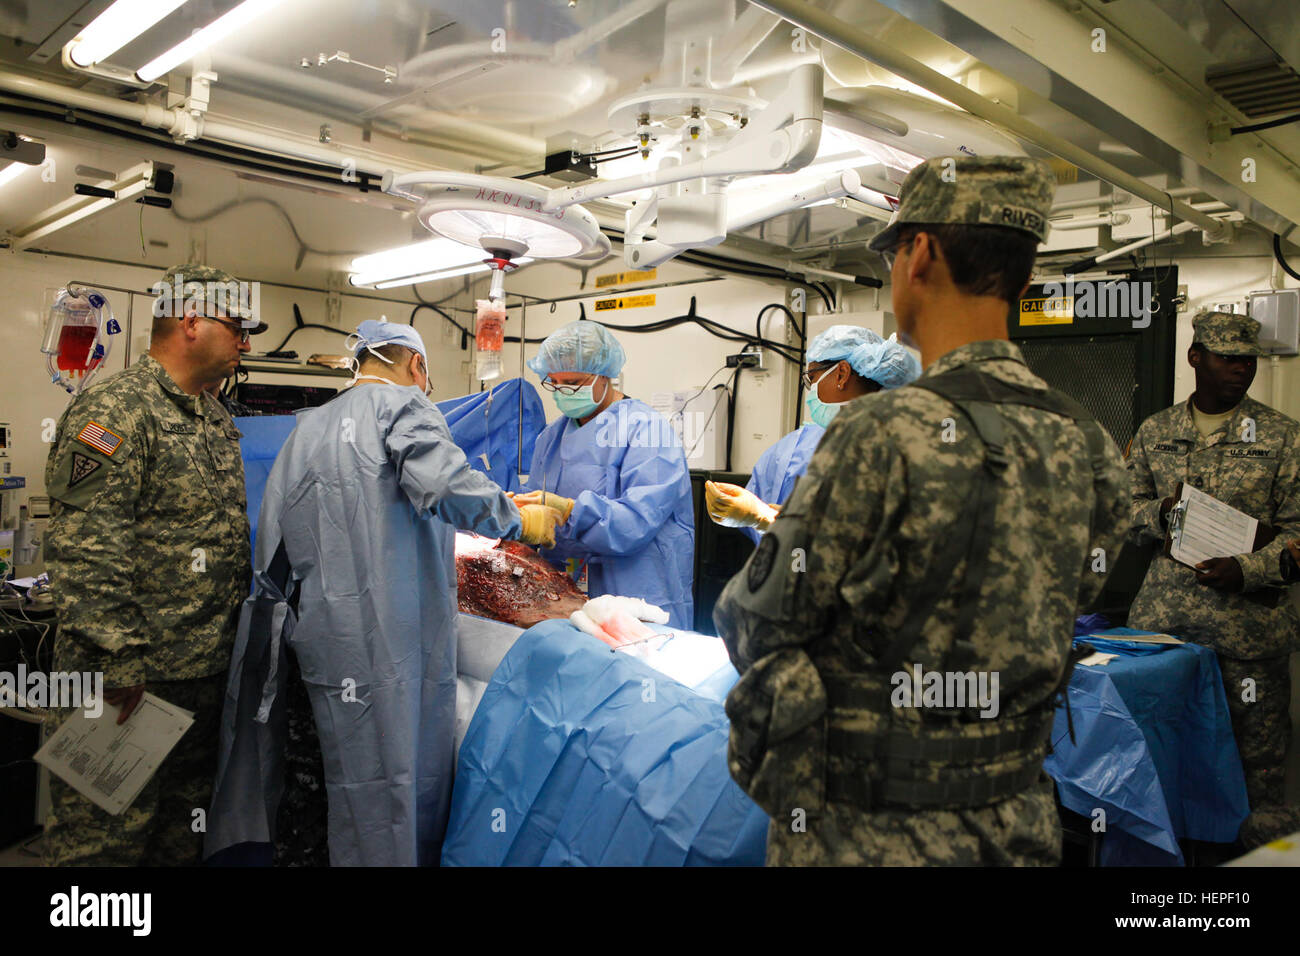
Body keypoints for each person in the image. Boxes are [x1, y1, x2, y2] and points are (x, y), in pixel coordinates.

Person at [714, 156, 1130, 866]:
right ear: (1025, 279)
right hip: (1015, 819)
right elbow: (1071, 598)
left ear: (921, 254)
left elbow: (755, 619)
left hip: (872, 829)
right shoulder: (1087, 441)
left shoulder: (877, 432)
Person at [206, 319, 563, 866]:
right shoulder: (404, 406)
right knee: (392, 778)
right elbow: (443, 485)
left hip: (315, 635)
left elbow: (275, 534)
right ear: (416, 366)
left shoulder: (311, 425)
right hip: (386, 636)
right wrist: (520, 517)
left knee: (327, 778)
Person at [42, 263, 263, 865]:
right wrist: (117, 663)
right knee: (102, 842)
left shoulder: (213, 417)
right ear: (192, 320)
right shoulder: (115, 413)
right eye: (237, 327)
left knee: (180, 838)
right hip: (124, 682)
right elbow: (87, 550)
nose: (246, 344)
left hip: (197, 675)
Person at [1126, 311, 1300, 849]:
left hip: (1247, 637)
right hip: (1165, 633)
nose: (1241, 369)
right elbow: (1118, 512)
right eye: (1228, 357)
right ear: (1195, 357)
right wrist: (1162, 513)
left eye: (1248, 359)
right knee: (1159, 756)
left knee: (1256, 768)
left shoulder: (1282, 437)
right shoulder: (1156, 431)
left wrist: (1246, 570)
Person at [515, 319, 696, 628]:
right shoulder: (550, 438)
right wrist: (522, 517)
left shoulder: (647, 431)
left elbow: (636, 523)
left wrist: (570, 511)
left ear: (606, 377)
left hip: (638, 602)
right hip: (566, 602)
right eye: (554, 383)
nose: (562, 391)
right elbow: (537, 515)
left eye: (572, 382)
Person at [705, 325, 920, 542]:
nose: (811, 389)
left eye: (812, 377)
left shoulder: (898, 449)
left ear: (842, 374)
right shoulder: (793, 448)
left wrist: (766, 518)